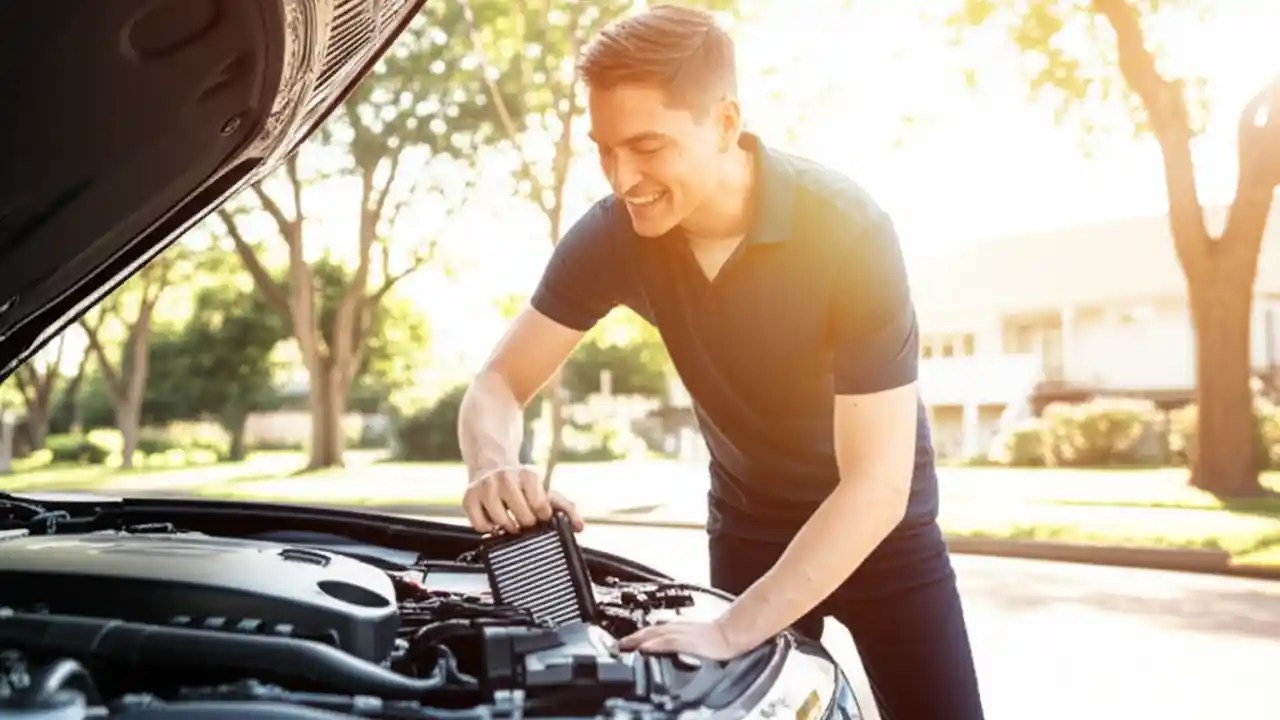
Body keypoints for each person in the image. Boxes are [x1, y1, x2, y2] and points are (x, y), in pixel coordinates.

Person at [456, 5, 985, 718]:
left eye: (648, 146)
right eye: (605, 149)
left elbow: (876, 486)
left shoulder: (848, 230)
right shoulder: (615, 237)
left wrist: (735, 627)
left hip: (886, 538)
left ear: (727, 124)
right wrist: (492, 461)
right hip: (749, 532)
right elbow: (498, 382)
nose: (622, 178)